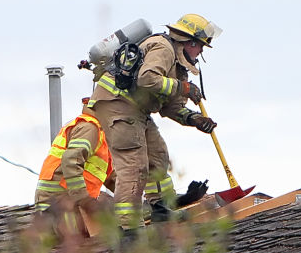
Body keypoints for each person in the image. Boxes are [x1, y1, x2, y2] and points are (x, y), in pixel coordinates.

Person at [87, 13, 220, 231]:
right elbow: (147, 78)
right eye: (200, 46)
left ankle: (161, 208)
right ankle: (129, 230)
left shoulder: (178, 67)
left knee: (157, 154)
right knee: (134, 165)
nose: (201, 52)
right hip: (117, 103)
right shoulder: (163, 48)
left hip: (135, 109)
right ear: (190, 42)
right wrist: (183, 88)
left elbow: (170, 108)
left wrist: (194, 119)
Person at [35, 98, 115, 236]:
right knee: (75, 251)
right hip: (58, 202)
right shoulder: (89, 128)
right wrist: (84, 200)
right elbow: (71, 161)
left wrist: (133, 197)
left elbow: (111, 177)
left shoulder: (101, 133)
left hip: (68, 201)